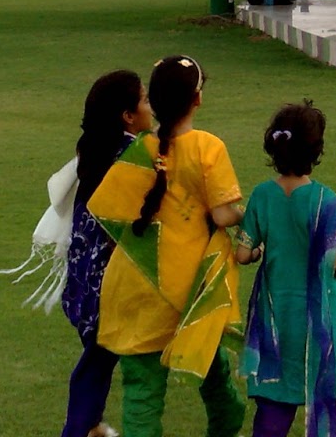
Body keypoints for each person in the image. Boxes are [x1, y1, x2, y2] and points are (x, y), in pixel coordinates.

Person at [87, 55, 246, 437]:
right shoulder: (207, 147)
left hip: (135, 287)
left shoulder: (140, 149)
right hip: (190, 291)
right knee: (213, 374)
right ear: (197, 100)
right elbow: (225, 215)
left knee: (142, 393)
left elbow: (110, 217)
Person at [235, 101, 336, 437]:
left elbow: (243, 254)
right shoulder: (324, 199)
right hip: (320, 313)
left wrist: (258, 250)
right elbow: (333, 257)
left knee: (275, 395)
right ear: (317, 150)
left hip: (274, 312)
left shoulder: (261, 195)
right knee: (331, 387)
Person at [59, 71, 154, 437]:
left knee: (98, 359)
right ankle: (80, 428)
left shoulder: (92, 148)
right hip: (110, 282)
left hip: (83, 277)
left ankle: (88, 426)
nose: (150, 107)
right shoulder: (131, 155)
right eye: (144, 101)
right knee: (100, 362)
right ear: (127, 115)